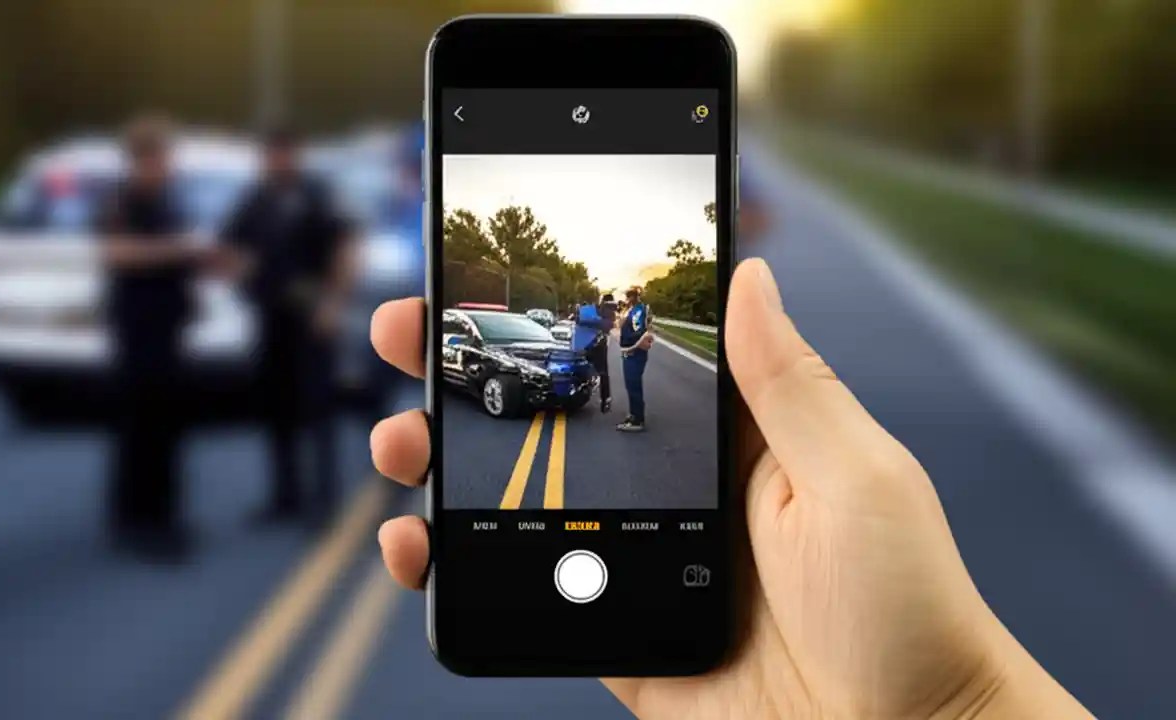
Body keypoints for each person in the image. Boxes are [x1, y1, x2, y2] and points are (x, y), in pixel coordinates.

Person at [365, 259, 1093, 720]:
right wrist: (959, 705)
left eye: (623, 299)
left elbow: (620, 340)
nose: (618, 303)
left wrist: (951, 704)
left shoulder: (604, 324)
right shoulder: (494, 333)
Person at [218, 124, 353, 525]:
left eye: (285, 152)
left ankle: (324, 501)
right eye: (272, 153)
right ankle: (284, 497)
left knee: (317, 409)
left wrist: (333, 304)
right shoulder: (256, 199)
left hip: (311, 316)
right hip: (271, 317)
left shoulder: (317, 195)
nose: (278, 160)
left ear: (296, 153)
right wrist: (241, 271)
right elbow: (228, 245)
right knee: (276, 411)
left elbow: (344, 248)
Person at [97, 113, 203, 560]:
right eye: (159, 156)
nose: (166, 164)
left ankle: (164, 516)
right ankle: (138, 523)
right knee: (139, 428)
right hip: (139, 333)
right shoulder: (126, 202)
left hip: (167, 331)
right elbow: (118, 252)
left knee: (166, 428)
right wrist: (179, 249)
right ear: (141, 159)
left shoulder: (166, 201)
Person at [616, 286, 652, 432]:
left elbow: (638, 332)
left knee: (634, 385)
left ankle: (637, 420)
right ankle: (633, 414)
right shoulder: (633, 310)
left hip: (634, 352)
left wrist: (628, 344)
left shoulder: (638, 311)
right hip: (630, 351)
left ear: (634, 297)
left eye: (629, 296)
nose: (628, 299)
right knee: (630, 385)